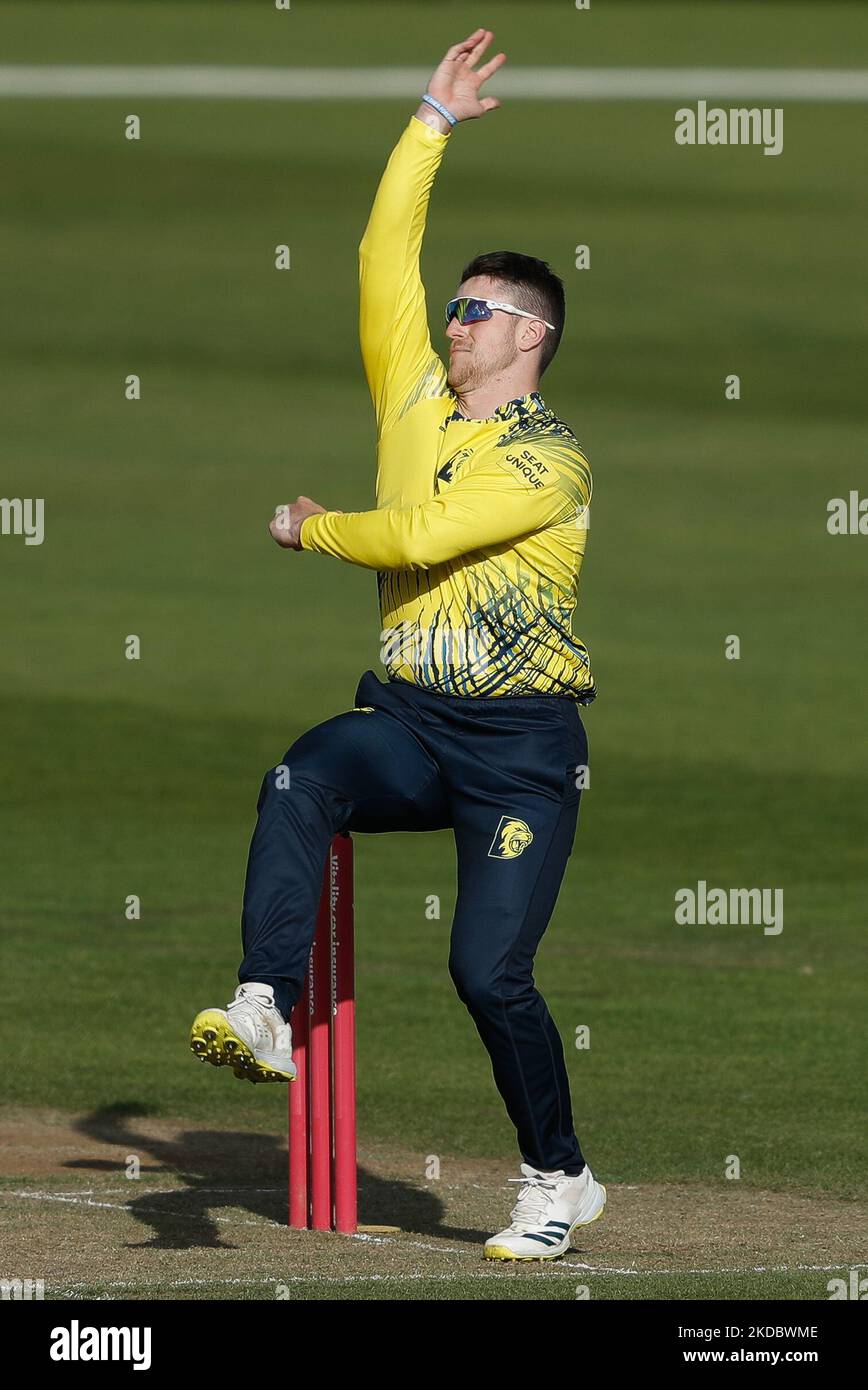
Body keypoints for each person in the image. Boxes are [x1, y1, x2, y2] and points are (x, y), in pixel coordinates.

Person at [190, 28, 606, 1261]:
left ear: (529, 334)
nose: (451, 320)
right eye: (455, 305)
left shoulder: (549, 459)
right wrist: (429, 118)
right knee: (301, 771)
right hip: (413, 724)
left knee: (489, 975)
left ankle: (557, 1178)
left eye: (474, 311)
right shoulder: (413, 395)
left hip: (523, 750)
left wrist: (318, 528)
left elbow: (424, 532)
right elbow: (383, 251)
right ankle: (265, 1003)